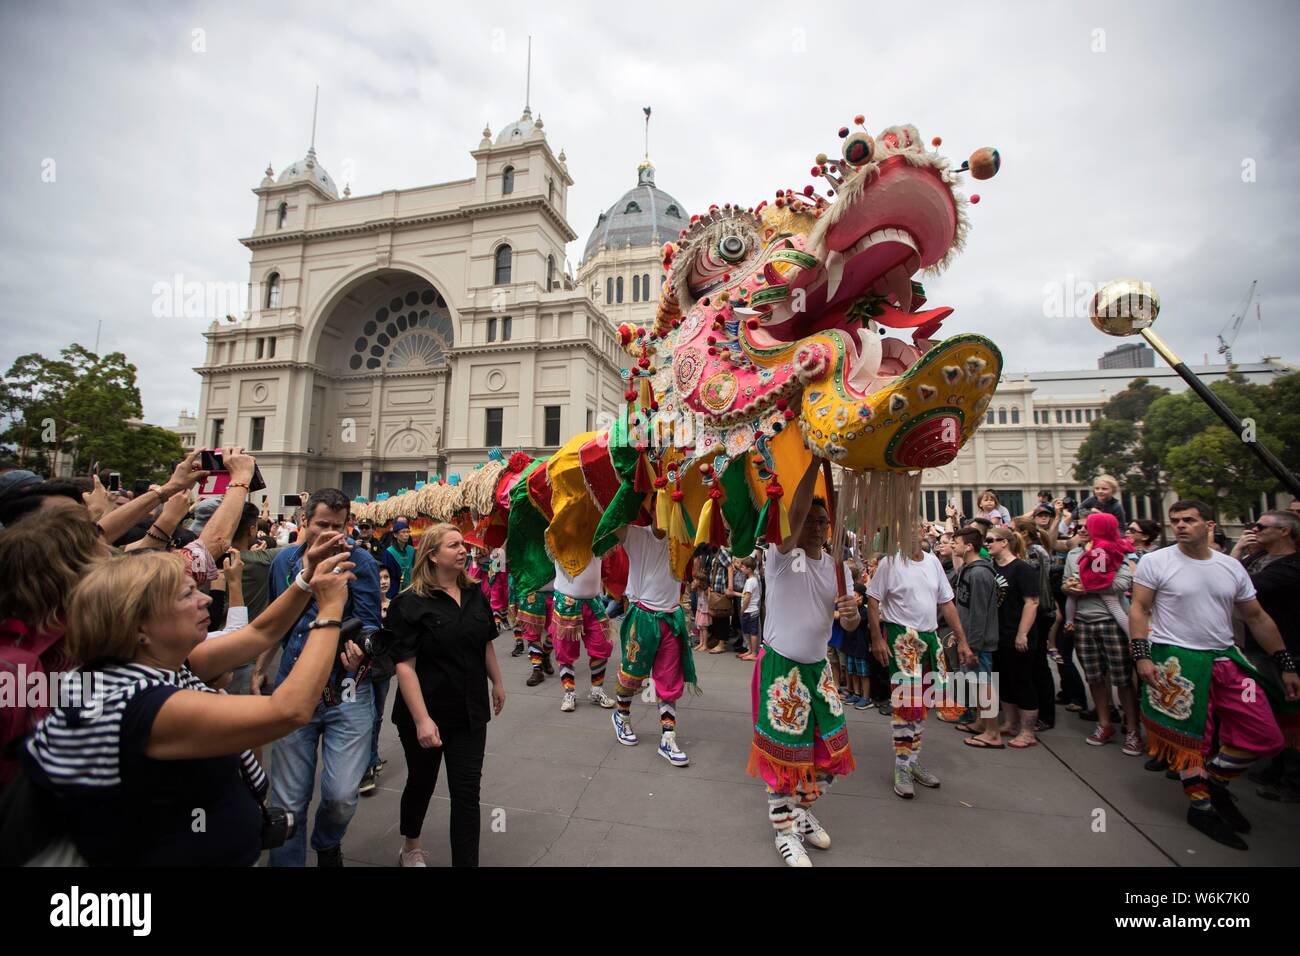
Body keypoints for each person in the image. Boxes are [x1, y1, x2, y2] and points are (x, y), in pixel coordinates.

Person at [15, 544, 355, 865]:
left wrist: (305, 581)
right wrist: (329, 612)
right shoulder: (140, 705)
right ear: (138, 625)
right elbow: (288, 710)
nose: (205, 599)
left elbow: (260, 634)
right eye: (187, 594)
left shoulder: (152, 666)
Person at [1130, 500, 1299, 850]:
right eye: (1175, 520)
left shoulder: (1231, 567)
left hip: (1225, 659)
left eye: (1188, 520)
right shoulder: (1155, 561)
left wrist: (1285, 663)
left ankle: (1215, 783)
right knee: (1191, 743)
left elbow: (1256, 617)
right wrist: (1142, 656)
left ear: (1208, 525)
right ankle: (1201, 807)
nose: (1180, 526)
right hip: (1176, 661)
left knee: (1266, 733)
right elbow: (1140, 608)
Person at [749, 457, 858, 867]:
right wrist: (816, 458)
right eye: (809, 518)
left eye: (821, 519)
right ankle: (785, 834)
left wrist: (851, 615)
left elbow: (848, 620)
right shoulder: (782, 557)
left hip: (819, 669)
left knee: (831, 753)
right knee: (783, 757)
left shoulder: (838, 568)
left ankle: (799, 812)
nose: (814, 525)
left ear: (830, 526)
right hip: (782, 669)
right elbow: (791, 517)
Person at [266, 488, 383, 866]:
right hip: (294, 690)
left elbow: (370, 621)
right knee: (287, 801)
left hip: (347, 691)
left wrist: (361, 648)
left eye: (339, 525)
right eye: (322, 525)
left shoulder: (360, 561)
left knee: (341, 796)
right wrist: (260, 666)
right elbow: (275, 620)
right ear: (304, 522)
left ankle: (327, 841)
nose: (332, 533)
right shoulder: (284, 561)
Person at [387, 523, 505, 866]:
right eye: (454, 545)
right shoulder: (409, 603)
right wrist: (423, 720)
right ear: (433, 555)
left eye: (462, 544)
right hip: (425, 714)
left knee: (467, 793)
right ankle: (411, 845)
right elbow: (404, 666)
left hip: (470, 713)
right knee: (421, 782)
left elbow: (484, 642)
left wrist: (497, 682)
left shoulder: (475, 594)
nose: (463, 550)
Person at [0, 509, 113, 789]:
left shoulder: (82, 649)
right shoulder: (13, 672)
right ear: (73, 579)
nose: (118, 579)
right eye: (107, 567)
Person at [867, 523, 974, 797]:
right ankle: (902, 766)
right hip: (902, 638)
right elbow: (873, 599)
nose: (915, 532)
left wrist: (962, 640)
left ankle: (911, 762)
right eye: (908, 527)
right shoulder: (890, 563)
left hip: (930, 639)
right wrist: (878, 638)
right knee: (906, 704)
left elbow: (946, 602)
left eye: (918, 527)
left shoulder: (933, 562)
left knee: (923, 703)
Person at [609, 513, 698, 766]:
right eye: (660, 502)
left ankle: (668, 738)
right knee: (632, 675)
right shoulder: (635, 534)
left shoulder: (682, 537)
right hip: (642, 617)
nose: (666, 509)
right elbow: (611, 516)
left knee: (669, 681)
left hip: (672, 618)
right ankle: (622, 716)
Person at [1232, 510, 1300, 801]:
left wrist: (1234, 555)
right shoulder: (1255, 558)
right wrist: (1238, 551)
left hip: (1286, 650)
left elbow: (1239, 586)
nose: (1254, 529)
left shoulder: (1293, 566)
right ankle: (1272, 767)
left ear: (1285, 531)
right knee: (1265, 710)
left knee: (1291, 716)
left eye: (1261, 526)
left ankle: (1292, 781)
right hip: (1253, 647)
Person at [1063, 517, 1141, 754]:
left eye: (1089, 527)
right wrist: (1070, 587)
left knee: (1123, 678)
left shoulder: (1114, 550)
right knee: (1094, 677)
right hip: (1083, 622)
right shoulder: (1074, 554)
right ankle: (1104, 723)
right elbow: (1066, 584)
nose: (1084, 530)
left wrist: (1090, 586)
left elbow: (1125, 581)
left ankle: (1132, 729)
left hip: (1110, 622)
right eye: (1081, 527)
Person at [984, 527, 1042, 749]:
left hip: (1017, 633)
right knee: (1004, 680)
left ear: (1005, 542)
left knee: (1022, 681)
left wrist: (1022, 633)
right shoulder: (991, 568)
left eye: (991, 540)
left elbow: (1032, 602)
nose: (987, 544)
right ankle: (1010, 723)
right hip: (997, 634)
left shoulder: (1022, 569)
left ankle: (1028, 732)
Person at [949, 527, 1002, 747]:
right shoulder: (969, 570)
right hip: (969, 638)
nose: (953, 545)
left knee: (983, 684)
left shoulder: (979, 573)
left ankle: (993, 733)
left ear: (969, 546)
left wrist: (971, 645)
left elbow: (979, 613)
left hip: (977, 641)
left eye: (956, 542)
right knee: (976, 682)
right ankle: (981, 723)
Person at [549, 555, 615, 712]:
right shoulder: (559, 534)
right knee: (565, 651)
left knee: (602, 646)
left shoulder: (596, 538)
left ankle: (597, 690)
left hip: (593, 602)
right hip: (567, 604)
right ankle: (569, 692)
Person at [1013, 516, 1059, 732]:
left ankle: (1045, 714)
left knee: (1038, 664)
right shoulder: (1033, 552)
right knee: (1033, 665)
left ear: (1023, 534)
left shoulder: (1034, 554)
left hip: (1039, 613)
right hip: (1037, 612)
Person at [380, 518, 415, 601]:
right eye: (403, 532)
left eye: (407, 532)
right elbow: (387, 573)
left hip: (410, 588)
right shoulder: (389, 553)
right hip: (394, 590)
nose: (406, 535)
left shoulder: (411, 550)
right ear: (395, 535)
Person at [738, 557, 761, 662]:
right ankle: (750, 650)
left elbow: (747, 597)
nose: (741, 568)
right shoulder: (752, 580)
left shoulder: (750, 581)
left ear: (749, 569)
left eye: (743, 567)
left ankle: (753, 653)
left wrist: (743, 609)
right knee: (748, 631)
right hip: (751, 610)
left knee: (752, 632)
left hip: (750, 610)